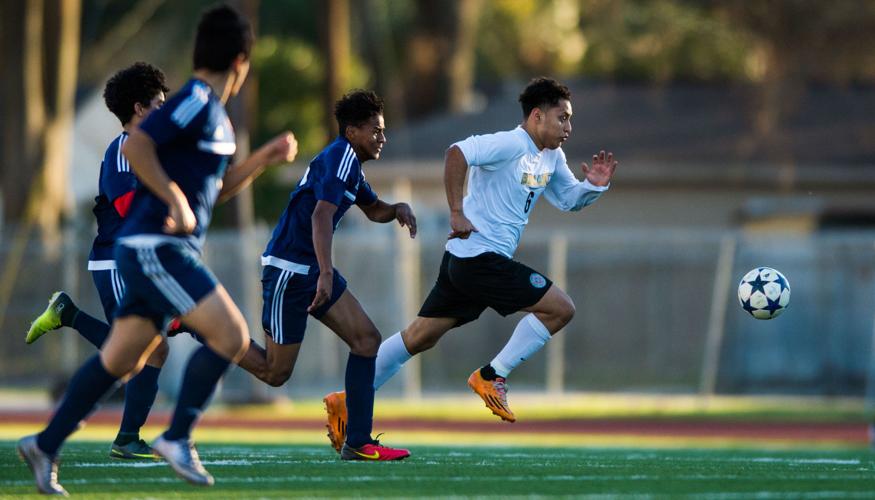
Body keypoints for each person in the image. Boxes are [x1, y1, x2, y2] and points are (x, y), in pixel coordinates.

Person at [18, 5, 297, 494]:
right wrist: (173, 202)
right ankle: (177, 435)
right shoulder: (195, 101)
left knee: (122, 357)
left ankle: (45, 444)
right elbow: (135, 146)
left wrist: (263, 158)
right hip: (156, 246)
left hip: (153, 247)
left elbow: (217, 187)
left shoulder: (211, 114)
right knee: (230, 335)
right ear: (241, 60)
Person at [323, 77, 617, 449]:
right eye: (563, 118)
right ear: (538, 116)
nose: (569, 128)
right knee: (560, 308)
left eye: (570, 120)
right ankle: (493, 374)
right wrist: (457, 212)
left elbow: (568, 200)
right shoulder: (510, 143)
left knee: (419, 337)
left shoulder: (551, 157)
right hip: (480, 258)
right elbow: (456, 153)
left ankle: (348, 399)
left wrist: (593, 186)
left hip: (465, 261)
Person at [234, 90, 414, 461]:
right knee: (274, 373)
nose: (382, 137)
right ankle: (207, 327)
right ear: (351, 132)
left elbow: (373, 208)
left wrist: (397, 208)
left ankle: (358, 442)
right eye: (375, 131)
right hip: (290, 269)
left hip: (310, 269)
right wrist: (327, 273)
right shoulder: (340, 159)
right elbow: (320, 216)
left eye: (383, 131)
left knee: (366, 340)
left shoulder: (348, 162)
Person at [25, 62, 172, 461]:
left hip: (141, 260)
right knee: (142, 348)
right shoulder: (125, 150)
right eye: (159, 103)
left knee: (149, 349)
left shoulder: (151, 149)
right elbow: (127, 206)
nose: (165, 109)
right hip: (117, 260)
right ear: (140, 108)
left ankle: (127, 437)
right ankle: (124, 437)